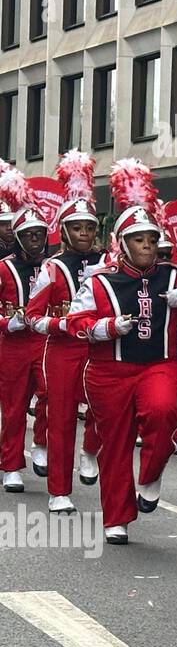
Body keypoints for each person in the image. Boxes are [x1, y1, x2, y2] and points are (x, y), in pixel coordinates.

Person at [66, 204, 177, 544]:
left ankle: (151, 475)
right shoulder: (100, 281)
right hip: (109, 371)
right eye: (139, 239)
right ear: (123, 244)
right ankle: (116, 518)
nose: (148, 245)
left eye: (152, 238)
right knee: (116, 442)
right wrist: (107, 327)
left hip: (159, 364)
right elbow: (75, 324)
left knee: (164, 413)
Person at [25, 198, 106, 512]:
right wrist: (61, 324)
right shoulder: (51, 267)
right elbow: (32, 316)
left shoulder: (108, 261)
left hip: (100, 347)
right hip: (62, 351)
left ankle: (90, 450)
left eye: (89, 227)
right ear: (64, 230)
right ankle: (58, 492)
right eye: (76, 227)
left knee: (104, 407)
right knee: (60, 419)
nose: (84, 233)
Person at [0, 207, 53, 494]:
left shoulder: (54, 265)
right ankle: (10, 466)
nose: (35, 240)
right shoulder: (3, 267)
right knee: (14, 406)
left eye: (40, 234)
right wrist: (9, 323)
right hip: (13, 345)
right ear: (18, 238)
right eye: (29, 235)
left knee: (52, 394)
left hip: (45, 341)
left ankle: (41, 441)